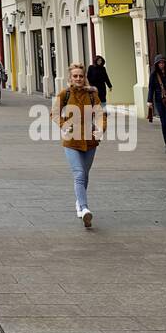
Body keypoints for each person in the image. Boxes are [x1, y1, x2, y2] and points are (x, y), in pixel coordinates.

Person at [53, 62, 105, 228]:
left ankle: (79, 202)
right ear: (70, 78)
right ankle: (84, 209)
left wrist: (101, 129)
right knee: (79, 174)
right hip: (71, 141)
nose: (78, 78)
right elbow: (54, 113)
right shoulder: (65, 94)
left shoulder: (92, 95)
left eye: (81, 76)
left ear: (85, 78)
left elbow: (100, 115)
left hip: (90, 142)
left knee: (85, 175)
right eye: (75, 76)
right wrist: (63, 125)